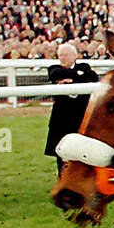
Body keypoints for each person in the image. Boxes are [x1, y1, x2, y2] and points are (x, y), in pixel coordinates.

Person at [44, 42, 97, 174]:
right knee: (61, 152)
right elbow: (55, 74)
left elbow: (92, 77)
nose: (63, 58)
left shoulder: (84, 67)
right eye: (60, 55)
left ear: (74, 56)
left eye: (66, 55)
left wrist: (72, 80)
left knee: (83, 152)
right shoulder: (54, 68)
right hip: (60, 119)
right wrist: (77, 76)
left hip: (80, 117)